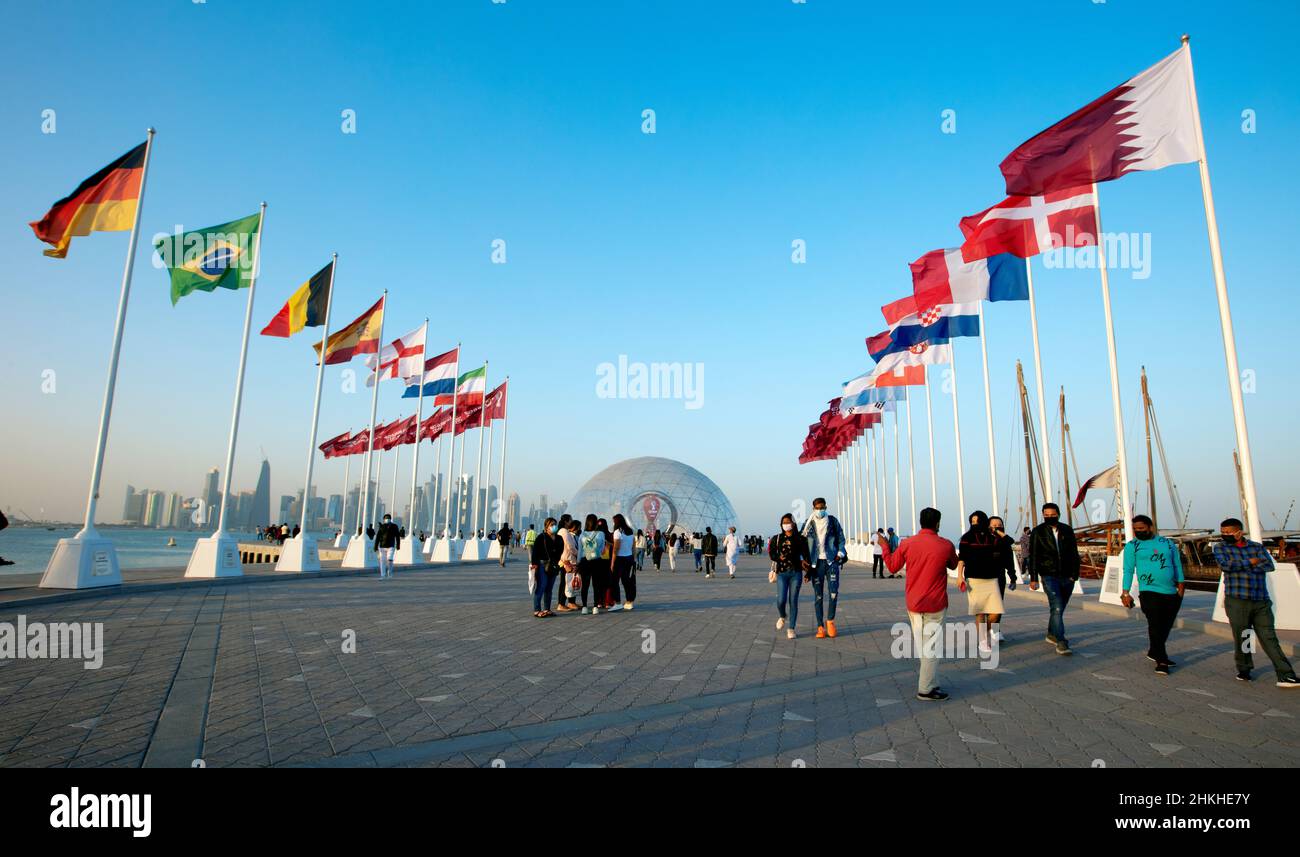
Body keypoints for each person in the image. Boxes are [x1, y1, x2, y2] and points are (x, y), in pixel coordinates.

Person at [881, 507, 959, 701]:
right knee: (931, 647)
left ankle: (931, 682)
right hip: (936, 603)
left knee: (924, 646)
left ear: (920, 522)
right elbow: (954, 564)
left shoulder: (908, 543)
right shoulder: (946, 545)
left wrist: (884, 546)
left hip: (914, 602)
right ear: (938, 523)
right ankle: (926, 689)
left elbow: (892, 566)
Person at [1212, 517, 1299, 687]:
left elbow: (1269, 566)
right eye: (1223, 532)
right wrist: (1250, 562)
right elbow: (1225, 565)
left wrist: (1242, 565)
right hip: (1237, 600)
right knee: (1244, 636)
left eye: (1229, 532)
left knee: (1269, 637)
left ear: (1239, 532)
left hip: (1261, 601)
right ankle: (1244, 669)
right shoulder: (1220, 547)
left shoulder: (1256, 547)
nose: (1225, 535)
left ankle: (1285, 674)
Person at [1120, 515, 1185, 676]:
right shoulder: (1132, 546)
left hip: (1171, 592)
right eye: (1135, 529)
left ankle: (1154, 650)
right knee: (1155, 623)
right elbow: (1128, 570)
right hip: (1148, 591)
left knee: (1166, 625)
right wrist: (1125, 592)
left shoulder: (1167, 544)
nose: (1137, 532)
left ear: (1150, 527)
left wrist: (1181, 586)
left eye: (1141, 528)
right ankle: (1162, 660)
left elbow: (1177, 564)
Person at [1026, 502, 1080, 656]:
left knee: (1059, 608)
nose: (1049, 517)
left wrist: (1074, 575)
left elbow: (1074, 553)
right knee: (1056, 606)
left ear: (1058, 514)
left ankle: (1051, 633)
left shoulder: (1067, 530)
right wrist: (1034, 578)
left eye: (1052, 515)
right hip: (1048, 574)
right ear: (1043, 515)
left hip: (1067, 575)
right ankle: (1061, 641)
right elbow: (1033, 555)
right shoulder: (1038, 532)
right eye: (1046, 515)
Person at [956, 511, 1002, 655]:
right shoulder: (966, 538)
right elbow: (961, 558)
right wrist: (959, 576)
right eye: (972, 521)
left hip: (991, 578)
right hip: (974, 578)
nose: (975, 524)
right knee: (980, 611)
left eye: (977, 521)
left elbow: (1008, 543)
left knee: (995, 612)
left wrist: (997, 531)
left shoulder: (992, 538)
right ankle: (983, 641)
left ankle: (986, 631)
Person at [800, 497, 846, 639]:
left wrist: (840, 553)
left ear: (826, 507)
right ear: (813, 508)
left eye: (822, 507)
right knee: (818, 596)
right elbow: (801, 542)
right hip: (815, 564)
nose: (820, 510)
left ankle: (830, 621)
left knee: (833, 592)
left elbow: (841, 539)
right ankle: (820, 627)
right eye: (817, 508)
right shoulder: (808, 524)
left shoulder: (832, 521)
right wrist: (802, 559)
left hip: (831, 561)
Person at [770, 513, 811, 640]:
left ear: (793, 523)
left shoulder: (800, 539)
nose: (786, 524)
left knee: (793, 601)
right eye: (784, 522)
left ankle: (791, 628)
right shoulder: (777, 538)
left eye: (788, 522)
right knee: (781, 600)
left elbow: (806, 556)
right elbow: (772, 554)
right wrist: (778, 557)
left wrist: (808, 573)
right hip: (782, 573)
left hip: (796, 573)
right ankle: (783, 615)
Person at [988, 516, 1017, 641]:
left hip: (999, 575)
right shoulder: (984, 539)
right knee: (987, 605)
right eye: (993, 525)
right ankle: (986, 628)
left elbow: (1009, 560)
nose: (996, 526)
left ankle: (995, 630)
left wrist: (1013, 578)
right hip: (985, 575)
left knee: (998, 604)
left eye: (998, 524)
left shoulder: (1005, 541)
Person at [529, 517, 563, 617]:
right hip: (542, 565)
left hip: (553, 566)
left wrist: (557, 562)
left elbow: (561, 551)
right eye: (551, 525)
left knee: (549, 588)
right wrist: (534, 565)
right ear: (546, 527)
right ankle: (537, 610)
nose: (554, 526)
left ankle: (547, 609)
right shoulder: (541, 537)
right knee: (541, 586)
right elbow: (535, 552)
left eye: (555, 524)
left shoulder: (559, 538)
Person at [578, 514, 607, 615]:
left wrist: (578, 563)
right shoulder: (601, 534)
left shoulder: (582, 535)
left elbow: (580, 551)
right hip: (597, 561)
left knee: (585, 585)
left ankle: (584, 607)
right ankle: (595, 607)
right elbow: (603, 550)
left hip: (584, 561)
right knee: (596, 585)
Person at [611, 514, 636, 611]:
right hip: (629, 558)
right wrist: (633, 559)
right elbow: (634, 547)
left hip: (619, 559)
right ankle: (629, 602)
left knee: (615, 581)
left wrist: (612, 562)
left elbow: (616, 549)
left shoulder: (617, 532)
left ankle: (617, 602)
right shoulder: (630, 531)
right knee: (627, 581)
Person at [556, 518, 580, 612]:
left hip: (567, 560)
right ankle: (561, 604)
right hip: (568, 561)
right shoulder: (564, 532)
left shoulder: (562, 532)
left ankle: (571, 602)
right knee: (565, 583)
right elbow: (571, 547)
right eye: (570, 520)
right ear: (566, 521)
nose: (572, 521)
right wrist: (579, 555)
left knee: (570, 582)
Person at [373, 514, 401, 579]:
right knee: (382, 561)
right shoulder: (382, 526)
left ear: (390, 519)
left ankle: (390, 573)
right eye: (386, 518)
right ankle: (382, 575)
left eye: (388, 518)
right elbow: (378, 537)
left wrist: (398, 545)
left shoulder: (394, 526)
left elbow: (397, 536)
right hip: (382, 546)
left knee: (390, 559)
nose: (387, 519)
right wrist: (375, 546)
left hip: (391, 546)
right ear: (384, 519)